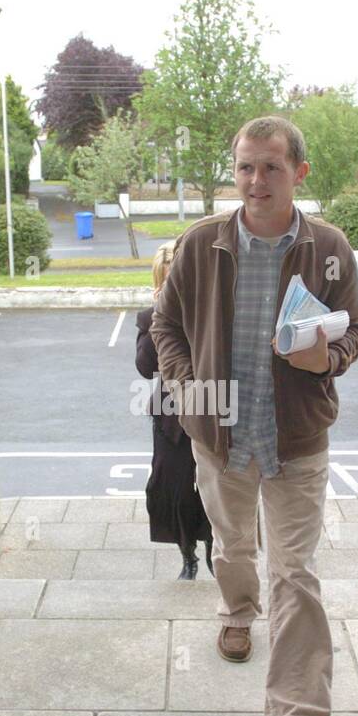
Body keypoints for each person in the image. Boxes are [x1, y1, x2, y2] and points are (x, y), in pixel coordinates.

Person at [152, 115, 358, 716]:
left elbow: (354, 330)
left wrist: (326, 360)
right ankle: (237, 609)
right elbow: (165, 324)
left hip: (297, 441)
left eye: (271, 167)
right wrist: (190, 393)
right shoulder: (201, 244)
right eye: (246, 166)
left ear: (299, 172)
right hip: (219, 437)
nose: (255, 180)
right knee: (235, 543)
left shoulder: (329, 247)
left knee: (295, 571)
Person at [135, 241, 214, 580]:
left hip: (214, 404)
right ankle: (188, 554)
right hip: (170, 413)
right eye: (165, 282)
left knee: (217, 486)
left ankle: (215, 550)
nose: (173, 289)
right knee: (172, 487)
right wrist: (158, 321)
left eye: (176, 280)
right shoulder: (149, 318)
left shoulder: (210, 312)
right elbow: (144, 367)